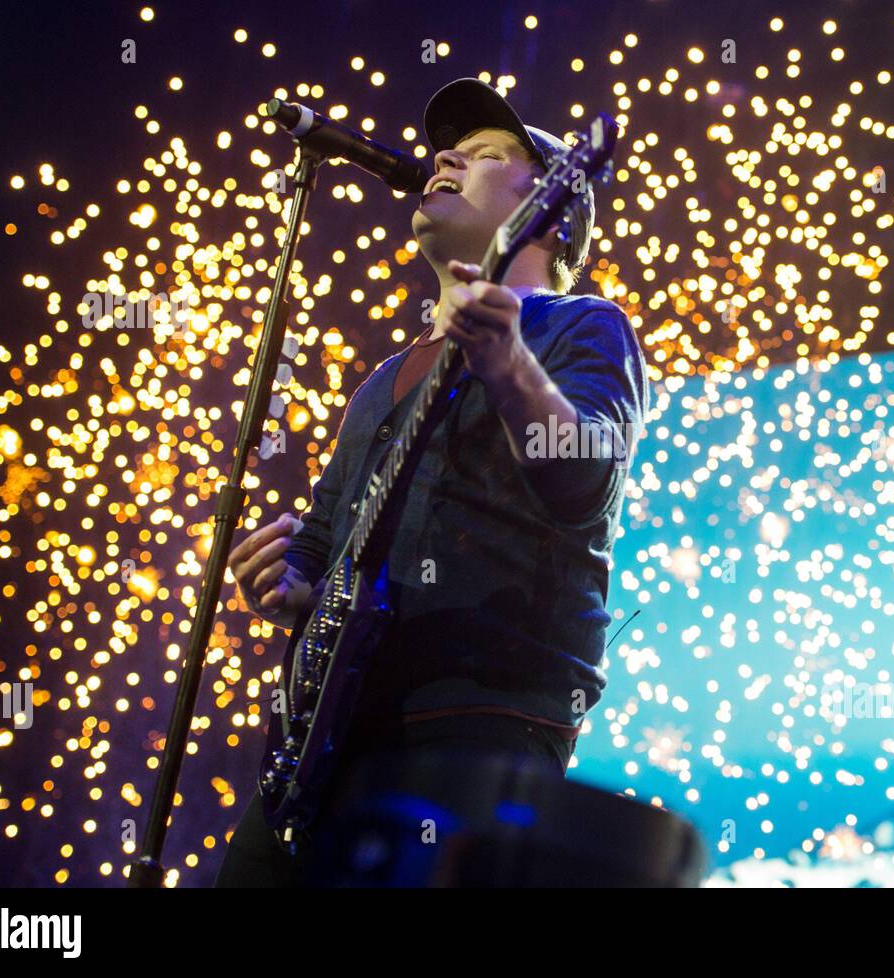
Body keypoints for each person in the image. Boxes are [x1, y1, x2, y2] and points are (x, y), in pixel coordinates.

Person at [214, 78, 647, 886]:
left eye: (487, 156)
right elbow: (326, 531)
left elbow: (582, 480)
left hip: (479, 718)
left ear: (552, 211)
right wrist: (292, 580)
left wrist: (506, 363)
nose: (446, 157)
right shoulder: (381, 380)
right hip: (328, 736)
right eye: (450, 151)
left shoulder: (584, 325)